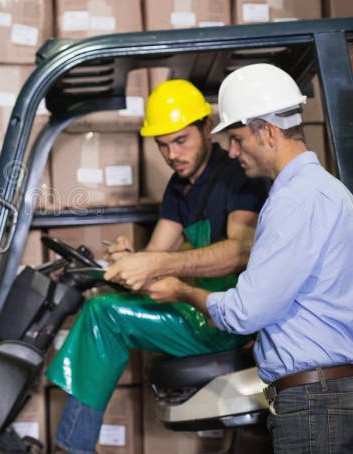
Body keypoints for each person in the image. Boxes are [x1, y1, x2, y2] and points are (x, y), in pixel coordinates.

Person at [46, 79, 270, 454]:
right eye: (162, 145)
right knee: (101, 308)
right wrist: (129, 259)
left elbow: (239, 252)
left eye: (180, 141)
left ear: (205, 127)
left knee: (103, 314)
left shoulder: (236, 175)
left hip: (225, 317)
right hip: (193, 304)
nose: (172, 154)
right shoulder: (179, 187)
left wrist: (155, 263)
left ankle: (73, 447)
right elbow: (156, 252)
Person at [145, 63, 353, 453]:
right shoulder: (319, 191)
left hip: (314, 402)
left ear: (269, 132)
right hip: (321, 396)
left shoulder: (295, 200)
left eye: (238, 139)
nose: (232, 152)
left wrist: (185, 292)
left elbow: (245, 312)